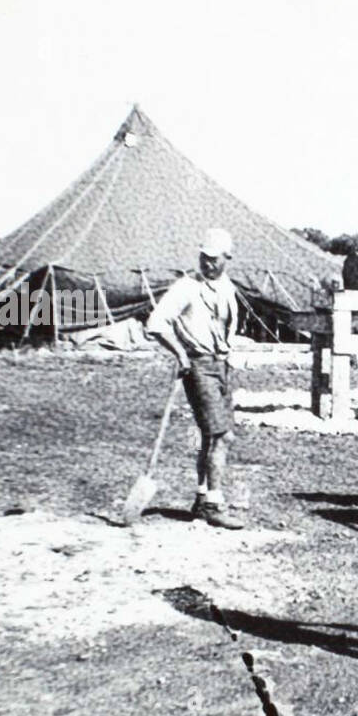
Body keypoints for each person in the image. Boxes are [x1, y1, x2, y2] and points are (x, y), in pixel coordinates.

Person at [145, 227, 243, 529]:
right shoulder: (186, 287)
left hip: (222, 365)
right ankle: (214, 503)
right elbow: (156, 324)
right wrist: (181, 354)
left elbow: (227, 327)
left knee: (212, 436)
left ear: (227, 258)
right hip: (198, 366)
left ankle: (202, 500)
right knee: (220, 436)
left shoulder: (227, 288)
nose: (208, 263)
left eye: (214, 258)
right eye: (204, 257)